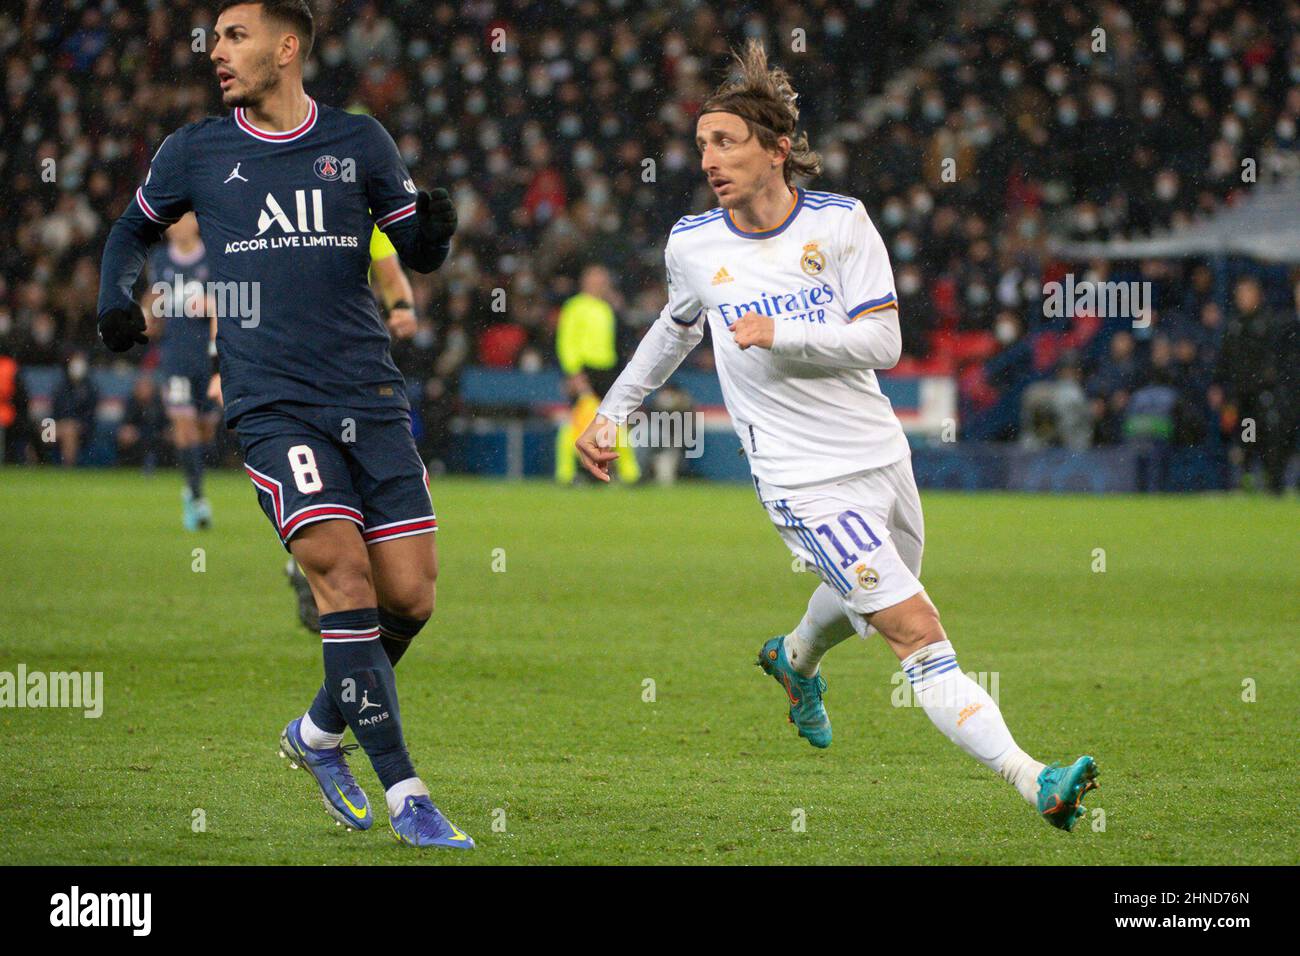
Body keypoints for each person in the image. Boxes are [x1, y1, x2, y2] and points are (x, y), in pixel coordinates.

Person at [576, 40, 1098, 831]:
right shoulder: (693, 245)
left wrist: (779, 334)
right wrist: (612, 414)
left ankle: (793, 659)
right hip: (799, 477)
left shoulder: (843, 225)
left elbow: (884, 344)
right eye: (701, 145)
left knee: (873, 597)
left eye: (726, 142)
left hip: (879, 453)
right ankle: (1037, 781)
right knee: (915, 631)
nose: (709, 159)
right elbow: (673, 329)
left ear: (776, 149)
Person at [96, 0, 470, 849]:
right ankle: (409, 792)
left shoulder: (361, 143)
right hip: (271, 405)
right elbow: (130, 230)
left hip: (369, 396)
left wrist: (435, 231)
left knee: (410, 596)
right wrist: (115, 299)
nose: (217, 53)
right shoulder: (194, 150)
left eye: (235, 37)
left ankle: (314, 736)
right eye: (215, 40)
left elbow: (413, 244)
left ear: (286, 46)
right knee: (343, 579)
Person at [145, 212, 219, 528]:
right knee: (184, 426)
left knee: (205, 431)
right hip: (174, 357)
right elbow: (154, 304)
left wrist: (214, 306)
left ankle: (193, 485)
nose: (172, 226)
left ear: (195, 222)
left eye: (179, 219)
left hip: (207, 358)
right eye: (169, 221)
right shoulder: (160, 260)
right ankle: (196, 497)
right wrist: (146, 316)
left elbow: (232, 304)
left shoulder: (215, 255)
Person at [554, 264, 639, 484]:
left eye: (603, 279)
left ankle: (630, 474)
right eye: (595, 279)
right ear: (585, 281)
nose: (600, 283)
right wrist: (573, 373)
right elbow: (566, 341)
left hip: (608, 371)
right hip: (585, 370)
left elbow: (621, 340)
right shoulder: (574, 307)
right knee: (579, 422)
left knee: (616, 421)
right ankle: (566, 473)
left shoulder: (609, 307)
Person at [52, 351, 99, 467]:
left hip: (83, 428)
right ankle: (36, 467)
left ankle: (68, 467)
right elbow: (56, 410)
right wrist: (60, 422)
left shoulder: (90, 388)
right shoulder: (61, 386)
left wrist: (75, 422)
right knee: (41, 430)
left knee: (69, 430)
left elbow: (89, 415)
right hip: (59, 425)